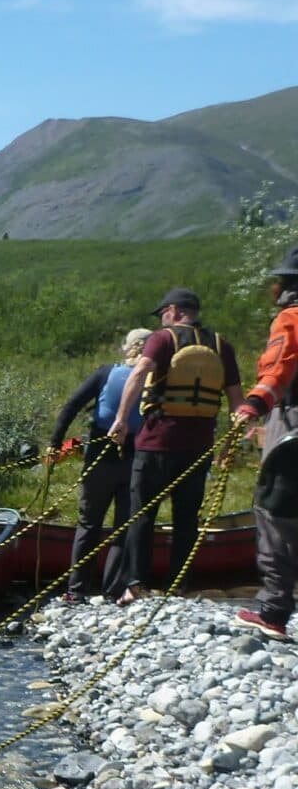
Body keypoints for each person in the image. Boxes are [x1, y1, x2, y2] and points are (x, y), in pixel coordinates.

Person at [107, 287, 243, 603]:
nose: (161, 319)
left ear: (174, 311)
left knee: (142, 514)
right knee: (186, 518)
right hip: (199, 447)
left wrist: (121, 419)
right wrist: (231, 444)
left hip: (156, 443)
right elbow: (237, 400)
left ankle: (136, 584)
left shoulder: (162, 339)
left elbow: (139, 373)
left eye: (162, 313)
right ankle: (179, 584)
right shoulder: (221, 345)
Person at [45, 327, 152, 601]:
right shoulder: (157, 380)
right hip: (136, 459)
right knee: (123, 527)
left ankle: (76, 590)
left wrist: (54, 443)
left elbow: (72, 405)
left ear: (127, 347)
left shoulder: (106, 373)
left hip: (99, 456)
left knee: (89, 524)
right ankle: (112, 592)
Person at [230, 245, 298, 640]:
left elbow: (280, 366)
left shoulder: (291, 317)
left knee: (274, 510)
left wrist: (254, 404)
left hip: (291, 427)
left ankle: (273, 612)